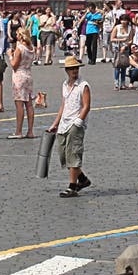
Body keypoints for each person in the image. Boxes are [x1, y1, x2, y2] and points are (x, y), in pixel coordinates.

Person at [48, 55, 92, 198]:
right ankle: (83, 179)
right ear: (66, 70)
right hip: (64, 124)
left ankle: (72, 186)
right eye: (71, 68)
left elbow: (86, 106)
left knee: (73, 154)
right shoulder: (65, 85)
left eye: (76, 68)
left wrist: (79, 121)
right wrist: (55, 123)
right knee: (64, 155)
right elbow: (64, 105)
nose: (74, 71)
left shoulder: (83, 85)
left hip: (76, 123)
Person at [6, 27, 35, 139]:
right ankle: (30, 131)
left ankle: (18, 131)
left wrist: (10, 55)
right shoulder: (31, 48)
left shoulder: (20, 48)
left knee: (19, 104)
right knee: (29, 104)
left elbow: (14, 64)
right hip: (28, 74)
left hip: (19, 76)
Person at [111, 14, 133, 90]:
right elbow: (112, 39)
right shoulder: (117, 27)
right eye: (122, 20)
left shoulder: (130, 28)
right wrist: (121, 40)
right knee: (117, 66)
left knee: (124, 66)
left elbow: (131, 40)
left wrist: (126, 45)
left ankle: (123, 83)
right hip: (117, 48)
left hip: (125, 48)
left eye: (125, 20)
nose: (123, 22)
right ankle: (116, 84)